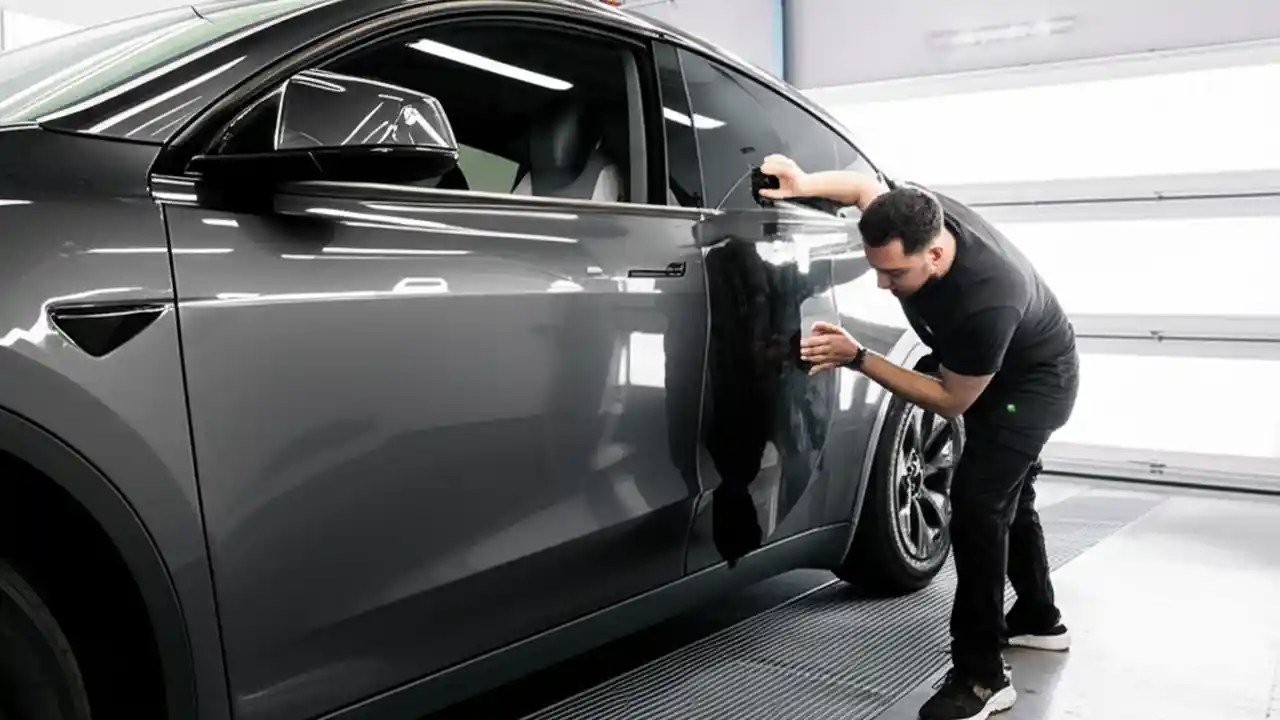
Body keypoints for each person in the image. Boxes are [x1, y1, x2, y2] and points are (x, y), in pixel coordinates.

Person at [759, 154, 1080, 720]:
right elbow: (862, 187)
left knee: (981, 507)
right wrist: (804, 185)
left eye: (895, 274)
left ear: (934, 254)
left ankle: (981, 677)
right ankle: (1037, 619)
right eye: (876, 270)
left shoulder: (986, 298)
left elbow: (950, 399)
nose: (883, 285)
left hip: (1029, 388)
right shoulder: (908, 214)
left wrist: (858, 358)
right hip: (992, 368)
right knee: (1010, 497)